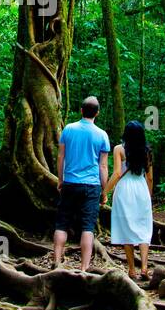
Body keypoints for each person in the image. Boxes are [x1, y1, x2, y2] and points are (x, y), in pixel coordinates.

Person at [53, 96, 110, 271]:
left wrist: (60, 179)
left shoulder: (68, 130)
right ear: (97, 113)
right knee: (88, 226)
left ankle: (56, 262)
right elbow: (103, 166)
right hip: (91, 186)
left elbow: (61, 156)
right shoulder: (102, 135)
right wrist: (104, 190)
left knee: (62, 222)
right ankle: (84, 268)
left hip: (69, 182)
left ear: (81, 110)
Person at [103, 120, 153, 280]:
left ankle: (131, 269)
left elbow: (117, 173)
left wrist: (105, 192)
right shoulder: (147, 151)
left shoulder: (119, 149)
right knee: (144, 228)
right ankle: (144, 267)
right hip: (141, 189)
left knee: (126, 228)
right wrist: (149, 196)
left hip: (124, 190)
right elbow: (150, 177)